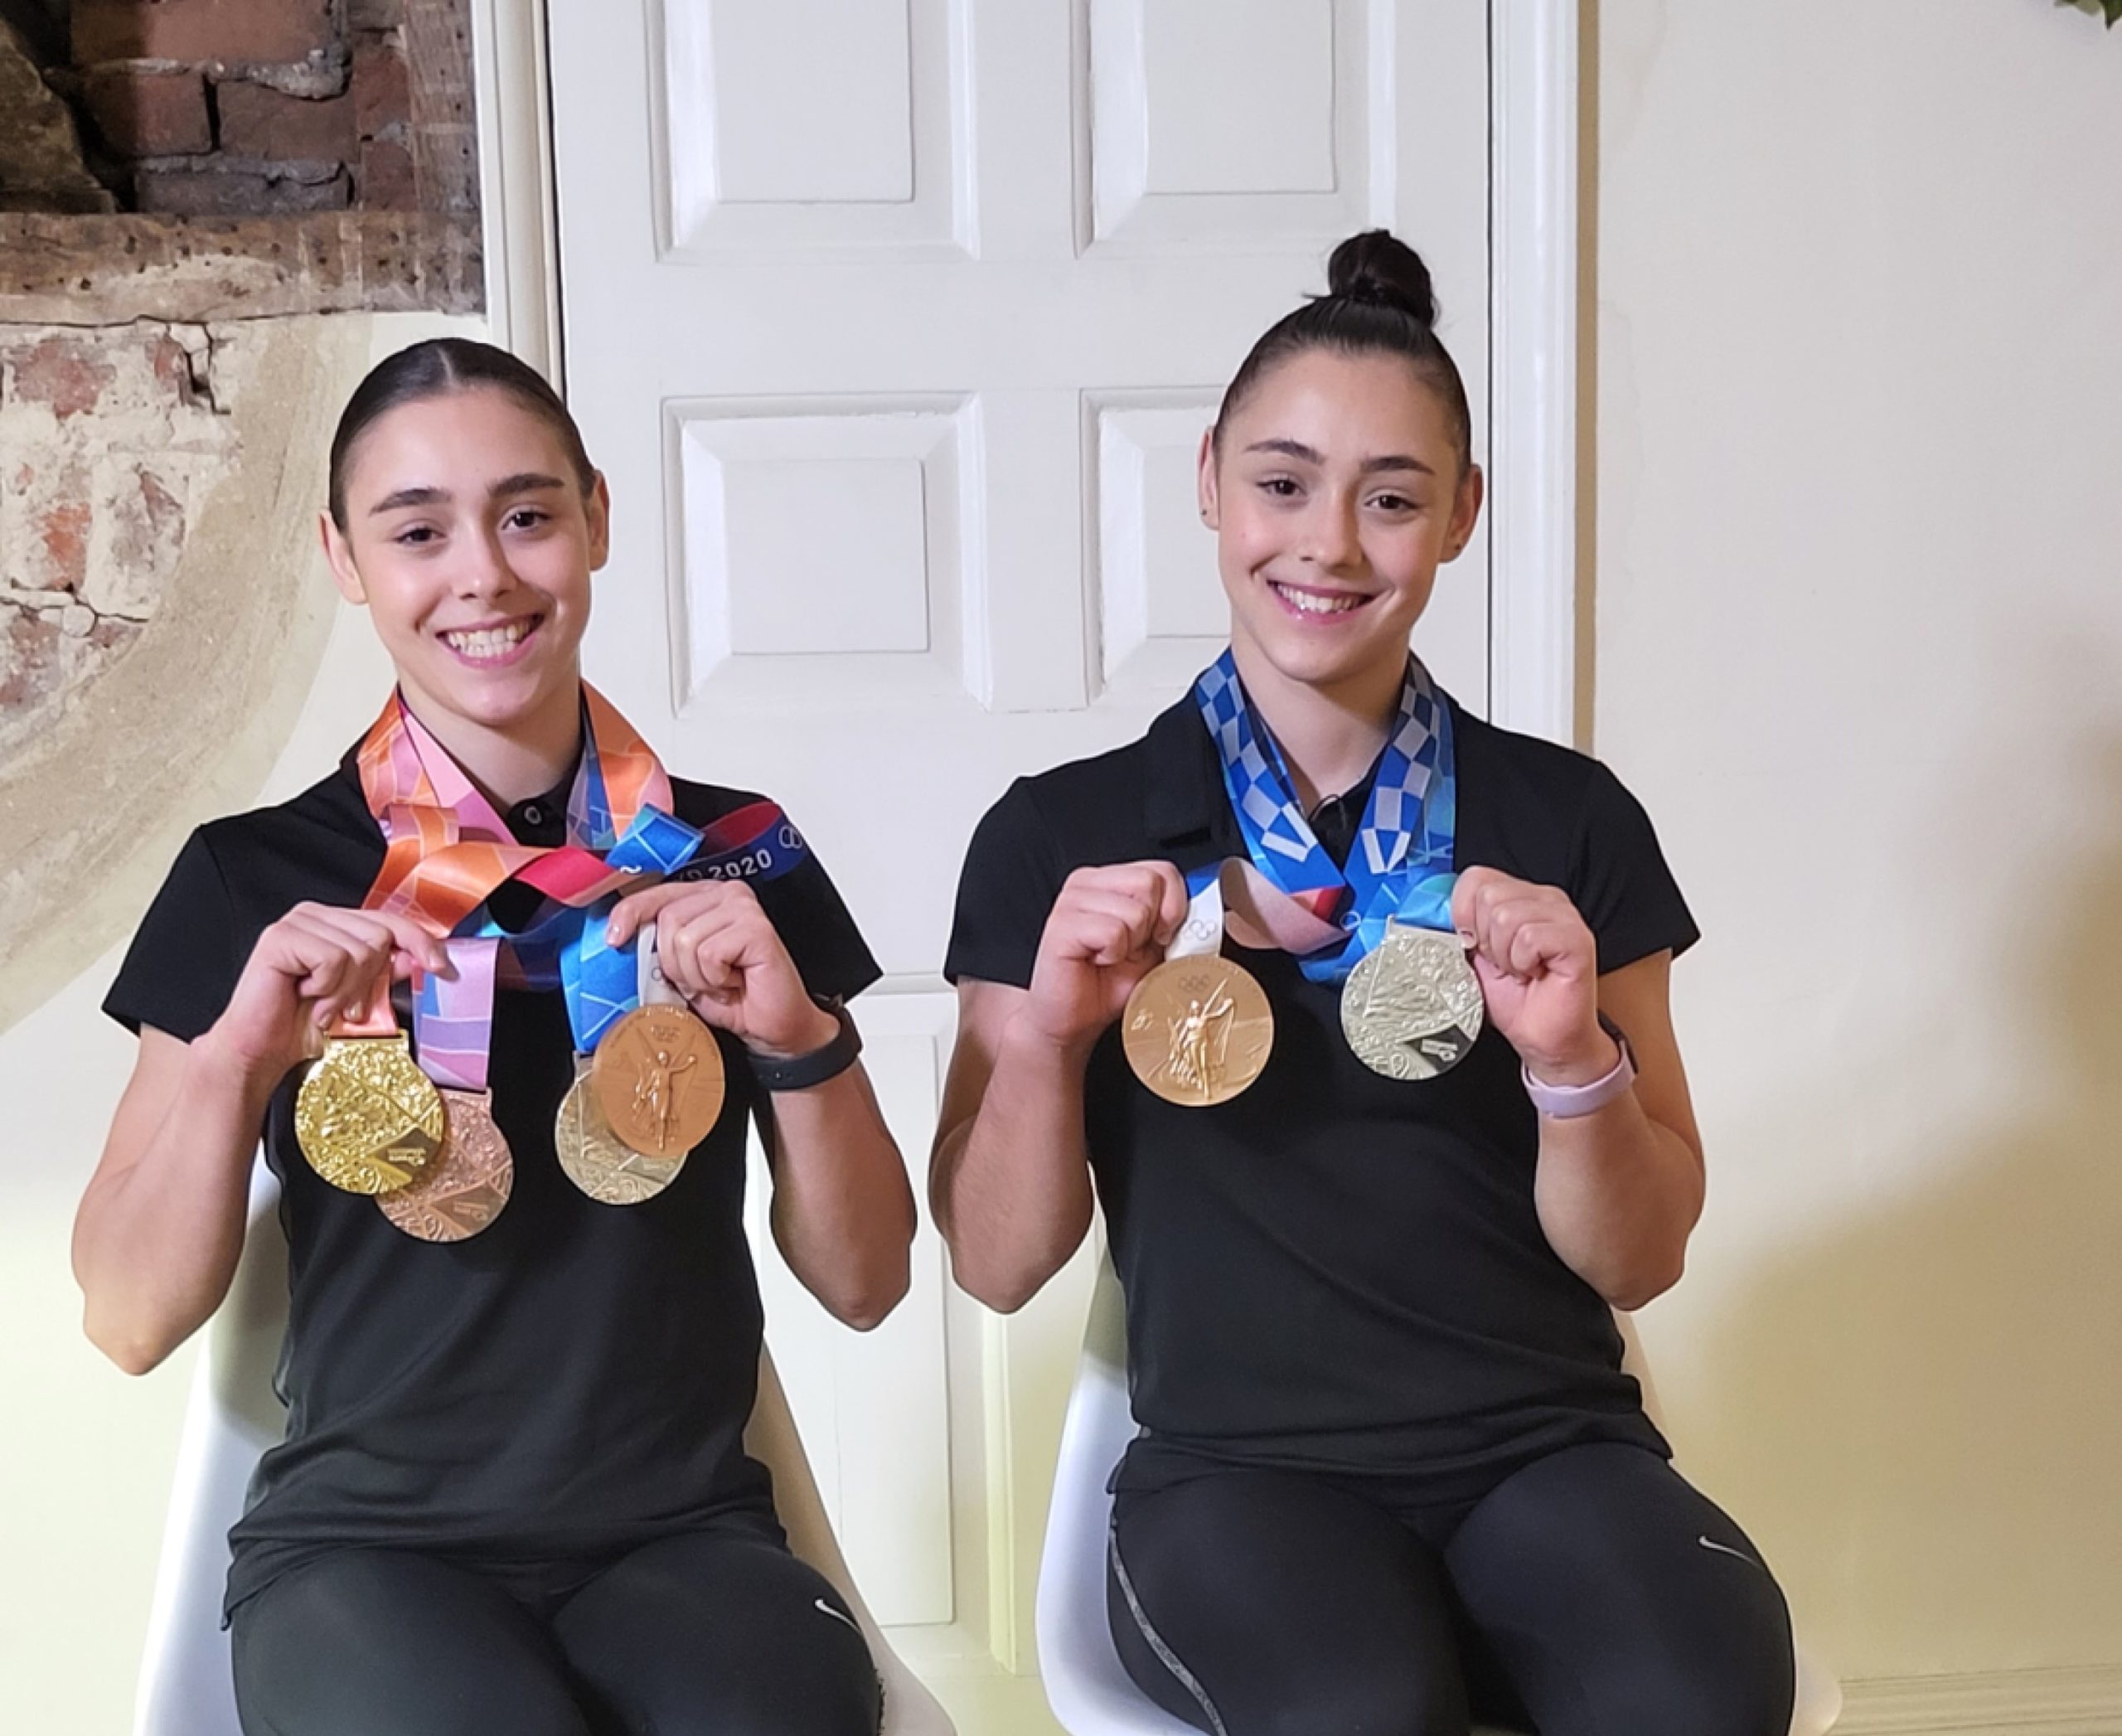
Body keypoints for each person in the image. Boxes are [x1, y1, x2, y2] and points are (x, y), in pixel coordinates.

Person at [934, 233, 1795, 1734]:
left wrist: (1571, 1060)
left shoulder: (1568, 823)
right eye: (1284, 483)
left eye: (1391, 498)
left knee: (1693, 1692)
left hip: (1549, 1451)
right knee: (1364, 1709)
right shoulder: (1063, 839)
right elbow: (998, 1264)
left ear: (1460, 513)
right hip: (1238, 1477)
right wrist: (1055, 1040)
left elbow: (1642, 1255)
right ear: (1210, 483)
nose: (1329, 545)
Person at [72, 338, 914, 1736]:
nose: (483, 574)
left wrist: (799, 1035)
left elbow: (869, 1280)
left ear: (596, 517)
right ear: (344, 557)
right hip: (367, 1557)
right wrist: (237, 1059)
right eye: (418, 531)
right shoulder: (256, 876)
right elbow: (127, 1317)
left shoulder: (734, 858)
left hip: (683, 1535)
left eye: (526, 514)